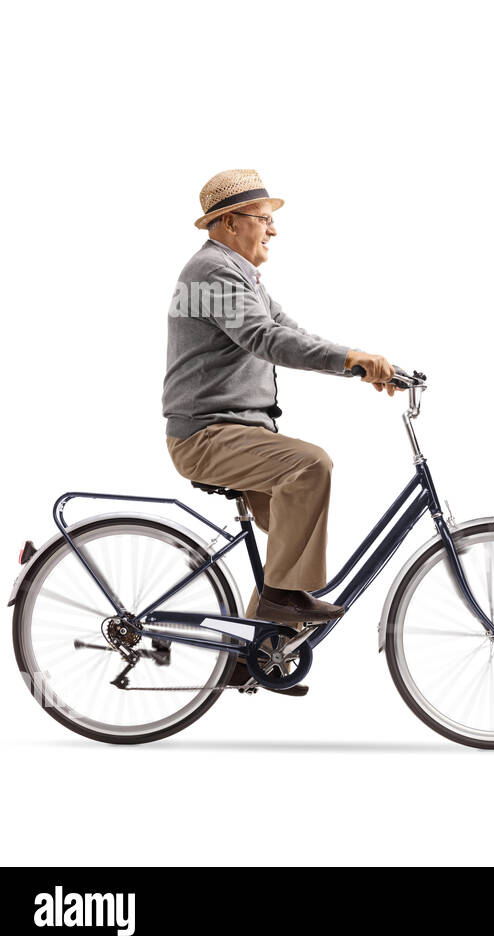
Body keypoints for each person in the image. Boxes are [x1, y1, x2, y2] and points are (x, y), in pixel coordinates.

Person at [163, 169, 396, 647]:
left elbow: (293, 332)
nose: (273, 229)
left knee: (293, 535)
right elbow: (264, 339)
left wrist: (358, 364)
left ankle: (253, 651)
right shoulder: (211, 271)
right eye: (264, 219)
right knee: (310, 466)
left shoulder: (241, 276)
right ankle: (279, 601)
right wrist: (351, 359)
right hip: (207, 435)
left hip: (238, 434)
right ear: (230, 222)